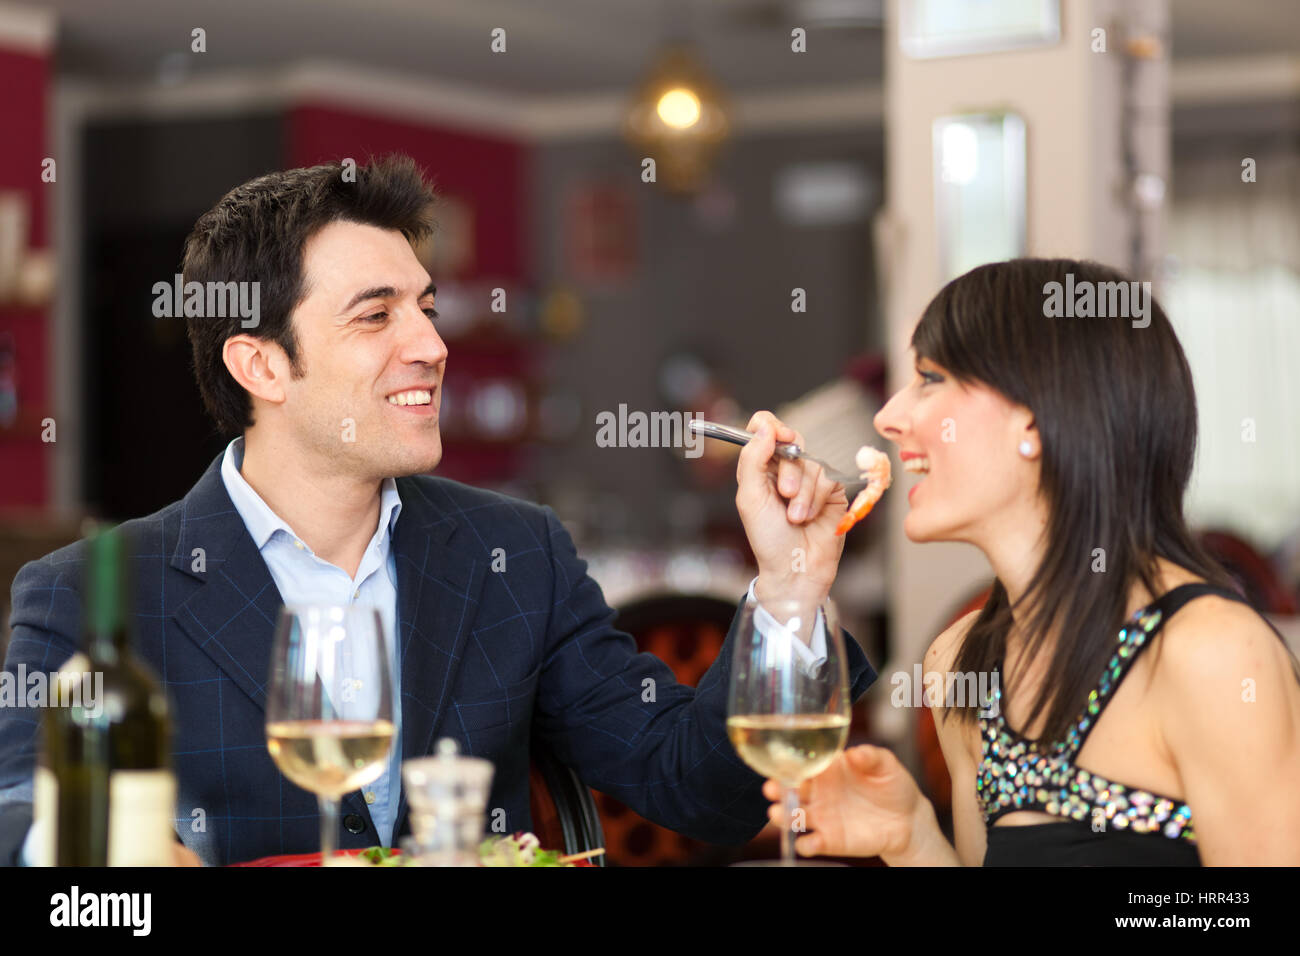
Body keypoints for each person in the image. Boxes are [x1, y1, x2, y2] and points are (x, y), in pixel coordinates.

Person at [0, 155, 876, 866]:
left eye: (423, 307)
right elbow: (14, 818)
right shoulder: (86, 594)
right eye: (375, 316)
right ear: (261, 366)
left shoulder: (515, 555)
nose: (431, 345)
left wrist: (790, 587)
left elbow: (702, 793)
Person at [762, 258, 1300, 866]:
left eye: (931, 377)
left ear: (1035, 417)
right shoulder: (960, 661)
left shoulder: (1212, 654)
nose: (888, 415)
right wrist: (911, 838)